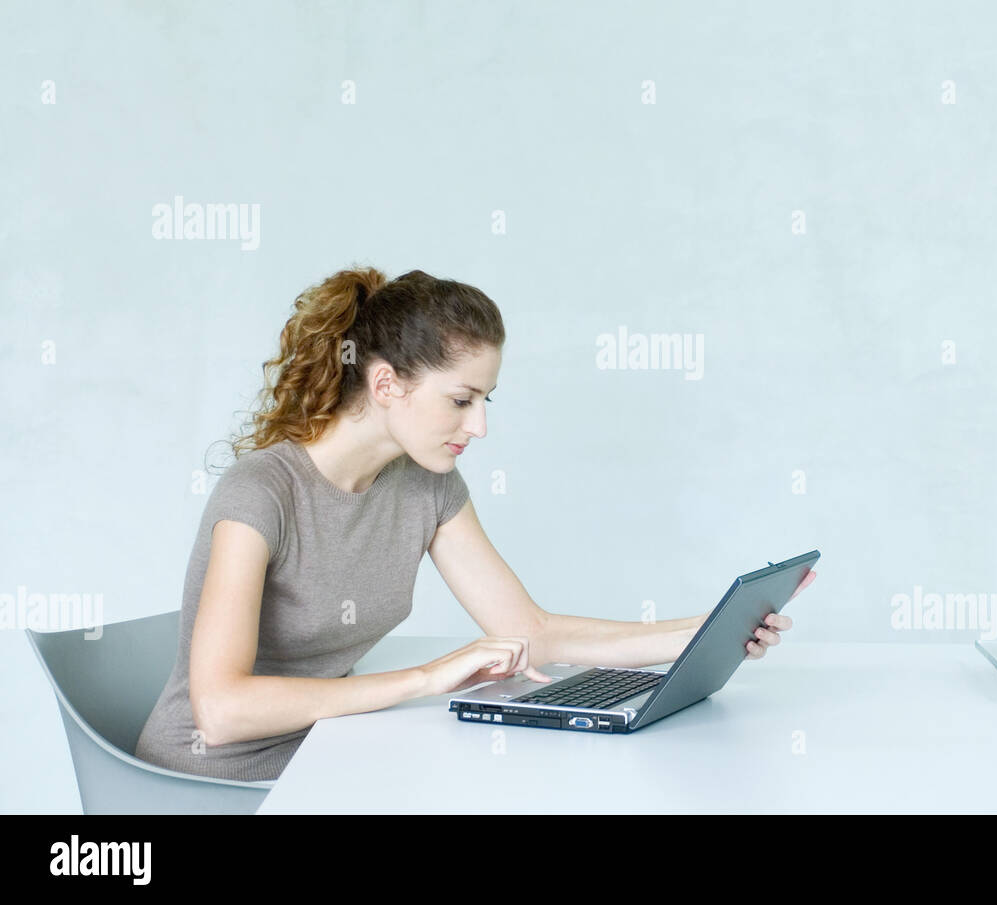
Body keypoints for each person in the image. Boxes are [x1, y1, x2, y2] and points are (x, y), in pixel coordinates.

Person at [135, 266, 814, 781]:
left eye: (485, 399)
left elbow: (531, 632)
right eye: (461, 399)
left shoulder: (427, 485)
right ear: (386, 386)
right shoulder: (261, 492)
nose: (480, 425)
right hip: (213, 784)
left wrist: (705, 630)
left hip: (329, 759)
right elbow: (220, 710)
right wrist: (428, 679)